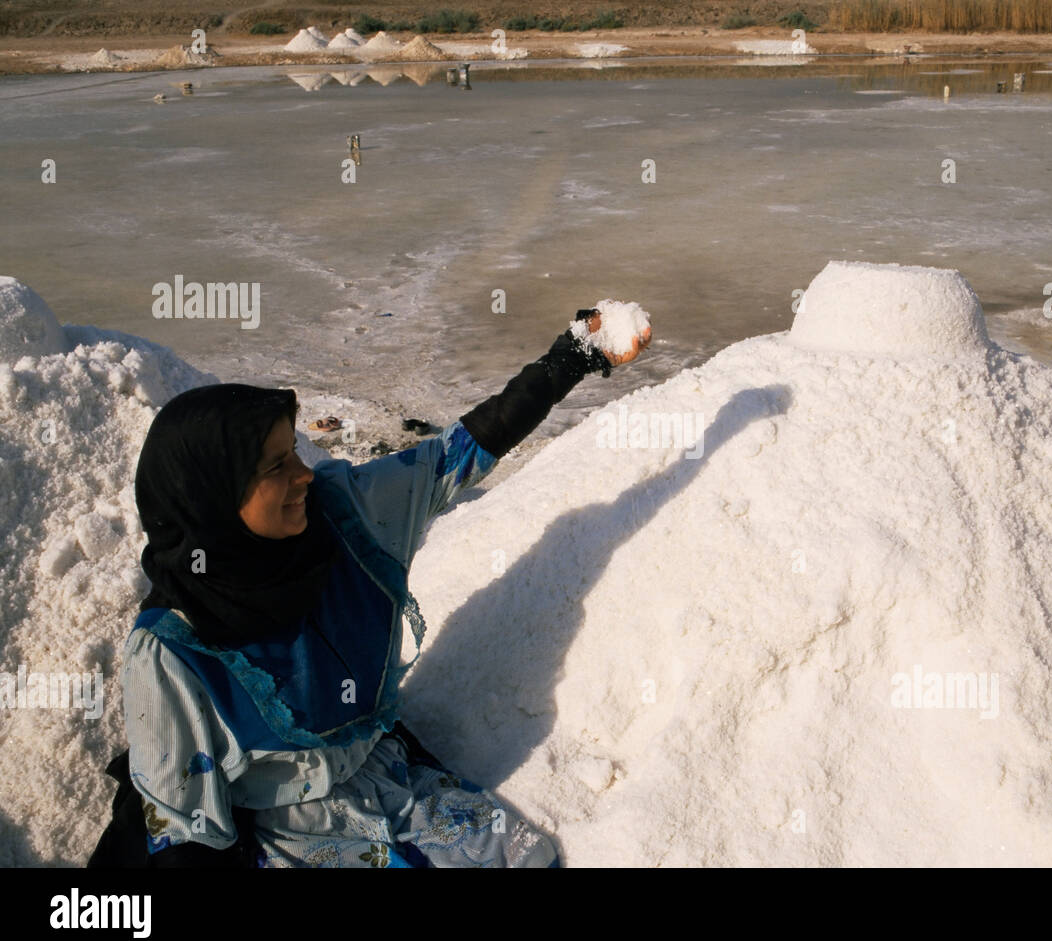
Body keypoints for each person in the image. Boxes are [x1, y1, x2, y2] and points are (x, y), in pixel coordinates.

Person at [88, 309, 650, 868]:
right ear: (213, 497)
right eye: (276, 466)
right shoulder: (173, 653)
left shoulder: (344, 518)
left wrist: (574, 353)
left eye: (296, 453)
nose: (304, 474)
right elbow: (186, 834)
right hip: (283, 830)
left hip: (383, 778)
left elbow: (459, 453)